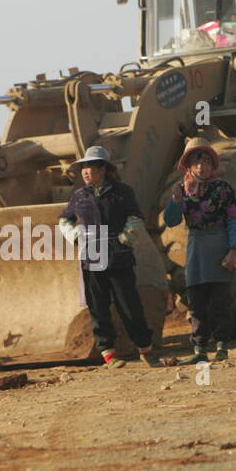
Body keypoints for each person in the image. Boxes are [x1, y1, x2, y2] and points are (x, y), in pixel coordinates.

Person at [58, 145, 161, 369]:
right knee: (98, 306)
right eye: (83, 167)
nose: (85, 172)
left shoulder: (122, 192)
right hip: (91, 256)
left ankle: (146, 350)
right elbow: (64, 220)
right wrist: (75, 235)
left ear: (103, 169)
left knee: (129, 305)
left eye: (90, 167)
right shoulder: (78, 196)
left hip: (118, 255)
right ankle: (109, 354)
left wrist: (126, 238)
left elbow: (135, 216)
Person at [163, 139, 236, 364]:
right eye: (197, 161)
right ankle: (199, 349)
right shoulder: (180, 190)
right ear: (188, 164)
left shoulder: (223, 189)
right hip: (196, 245)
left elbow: (235, 219)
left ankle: (222, 347)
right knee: (196, 300)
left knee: (220, 300)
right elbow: (170, 221)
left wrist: (234, 250)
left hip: (219, 243)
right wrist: (175, 202)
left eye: (206, 161)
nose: (202, 166)